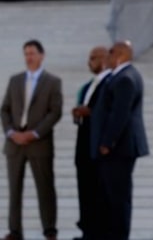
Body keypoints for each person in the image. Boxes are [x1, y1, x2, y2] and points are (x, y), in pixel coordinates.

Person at [1, 39, 63, 240]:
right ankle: (15, 230)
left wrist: (35, 133)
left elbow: (55, 112)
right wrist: (11, 132)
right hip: (14, 144)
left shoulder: (53, 82)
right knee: (14, 189)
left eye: (32, 53)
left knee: (45, 188)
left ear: (42, 55)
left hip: (39, 144)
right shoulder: (15, 80)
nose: (29, 57)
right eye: (26, 53)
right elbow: (5, 109)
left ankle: (50, 230)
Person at [91, 41, 149, 240]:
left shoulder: (126, 78)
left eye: (111, 52)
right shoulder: (119, 76)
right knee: (112, 195)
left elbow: (120, 115)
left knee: (119, 197)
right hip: (118, 148)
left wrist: (108, 142)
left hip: (119, 149)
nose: (107, 56)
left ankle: (119, 236)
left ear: (122, 55)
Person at [72, 46, 110, 240]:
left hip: (99, 147)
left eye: (93, 58)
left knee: (98, 190)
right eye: (89, 58)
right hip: (84, 144)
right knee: (84, 189)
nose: (90, 62)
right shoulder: (88, 86)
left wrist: (91, 113)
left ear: (105, 60)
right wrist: (78, 113)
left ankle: (98, 232)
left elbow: (110, 112)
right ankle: (87, 230)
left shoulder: (111, 83)